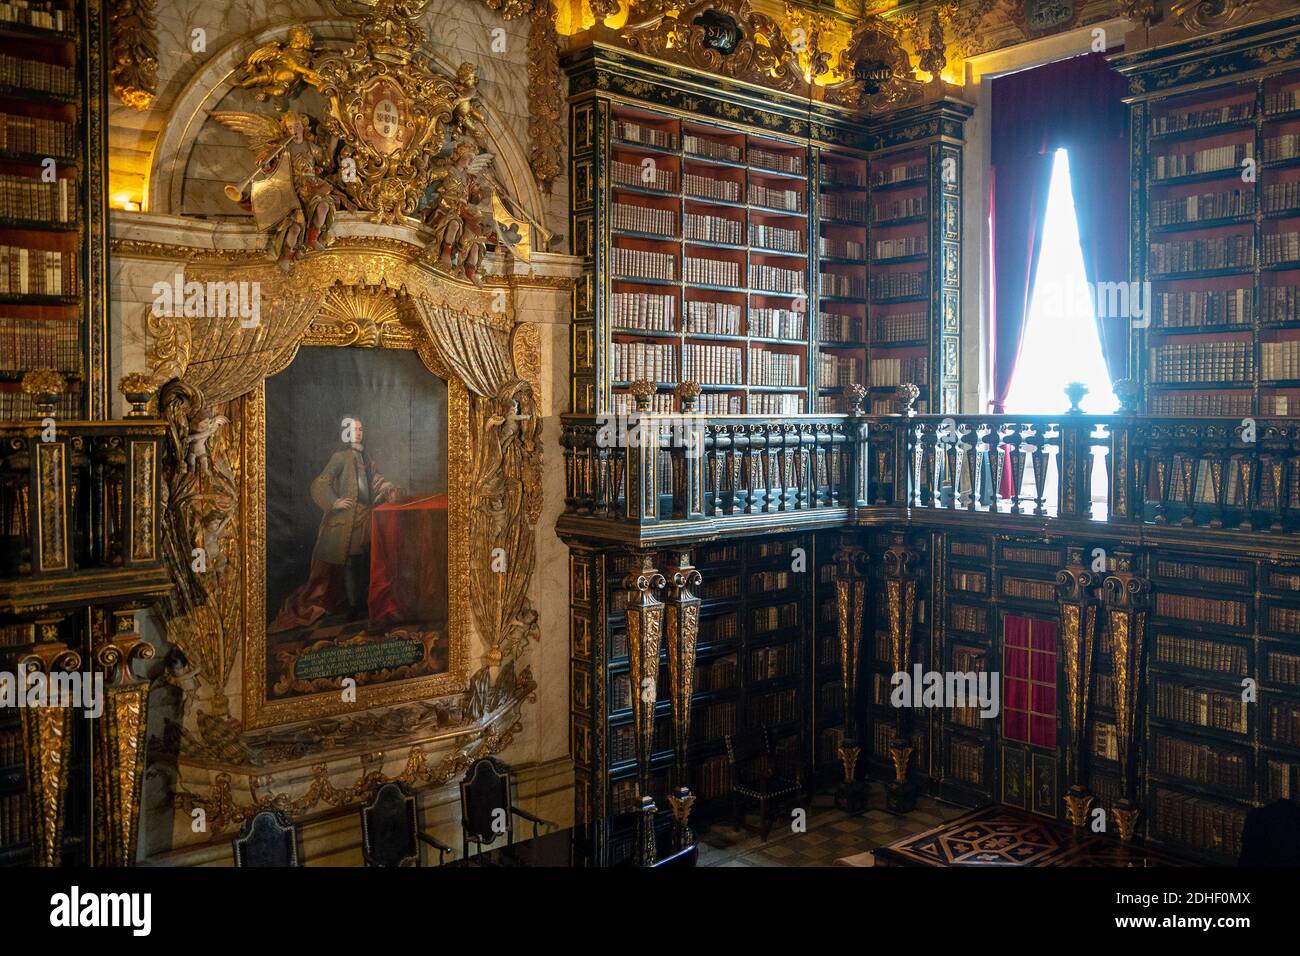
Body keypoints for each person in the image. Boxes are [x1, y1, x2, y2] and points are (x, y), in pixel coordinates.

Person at [270, 415, 402, 632]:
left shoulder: (366, 457)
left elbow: (376, 479)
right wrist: (334, 502)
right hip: (347, 519)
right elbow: (320, 483)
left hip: (366, 516)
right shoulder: (340, 457)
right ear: (346, 434)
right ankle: (353, 606)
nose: (358, 433)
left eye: (360, 429)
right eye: (353, 430)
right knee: (351, 561)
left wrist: (387, 487)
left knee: (367, 559)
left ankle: (364, 602)